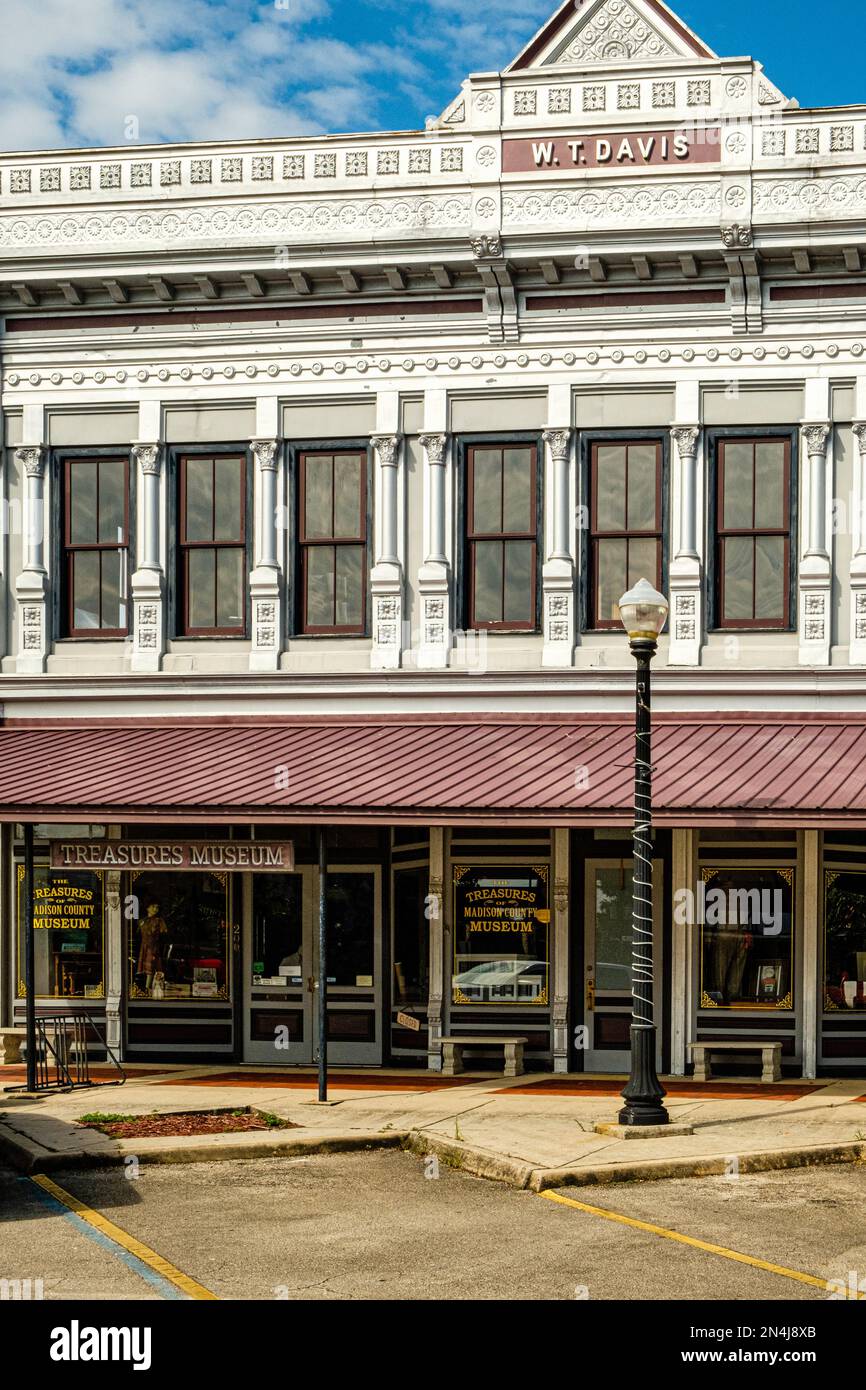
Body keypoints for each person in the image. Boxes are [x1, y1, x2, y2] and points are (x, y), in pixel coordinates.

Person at [136, 902, 168, 994]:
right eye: (153, 906)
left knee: (151, 968)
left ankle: (147, 989)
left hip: (153, 947)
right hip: (144, 946)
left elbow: (163, 934)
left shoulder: (159, 921)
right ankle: (144, 988)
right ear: (147, 908)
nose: (155, 909)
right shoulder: (142, 921)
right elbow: (138, 934)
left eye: (157, 907)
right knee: (144, 969)